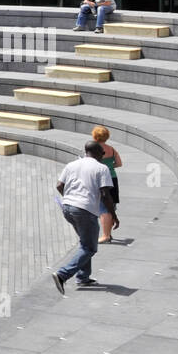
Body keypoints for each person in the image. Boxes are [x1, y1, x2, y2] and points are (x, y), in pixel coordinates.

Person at [53, 141, 118, 295]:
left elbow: (59, 186)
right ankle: (63, 274)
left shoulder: (72, 165)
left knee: (85, 243)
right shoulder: (102, 168)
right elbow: (105, 194)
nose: (103, 156)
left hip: (67, 208)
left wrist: (70, 199)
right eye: (102, 153)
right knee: (90, 247)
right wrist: (113, 215)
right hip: (85, 210)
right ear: (97, 153)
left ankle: (83, 277)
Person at [91, 126, 122, 242]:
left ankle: (106, 235)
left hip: (101, 180)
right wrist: (109, 167)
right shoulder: (112, 149)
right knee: (111, 206)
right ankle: (108, 233)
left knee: (103, 208)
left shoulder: (94, 150)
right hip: (112, 178)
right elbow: (119, 163)